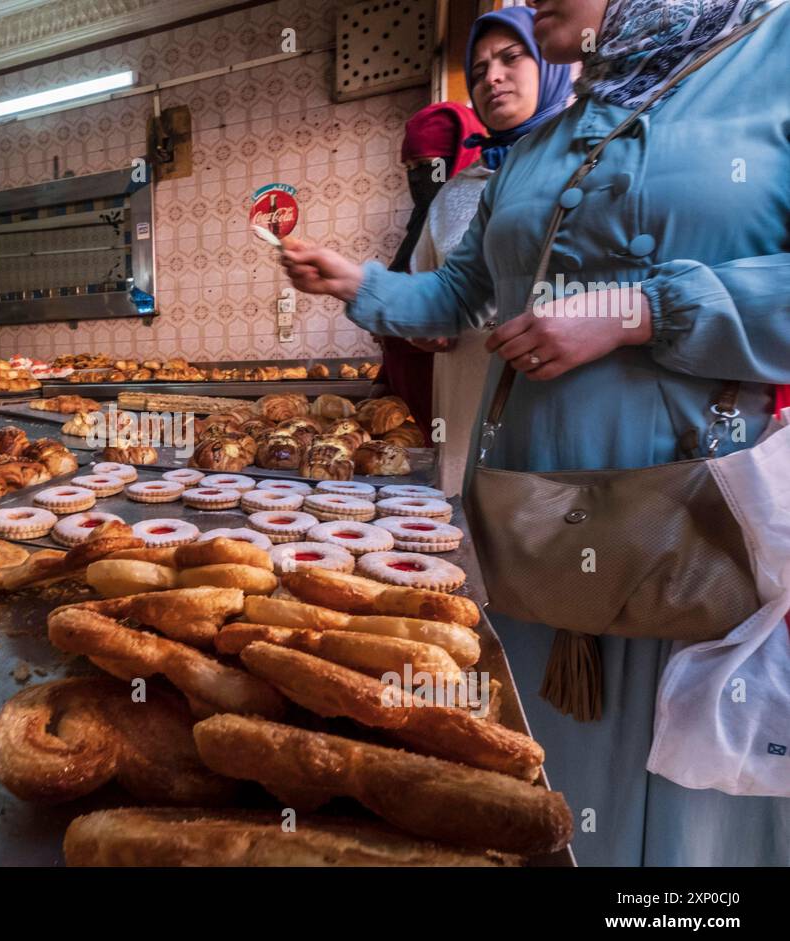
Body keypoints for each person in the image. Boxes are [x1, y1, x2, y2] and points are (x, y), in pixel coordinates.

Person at [282, 0, 790, 865]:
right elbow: (460, 299)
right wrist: (356, 281)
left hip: (688, 518)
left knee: (676, 797)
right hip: (531, 517)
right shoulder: (542, 146)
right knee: (540, 765)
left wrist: (643, 310)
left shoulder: (770, 60)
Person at [412, 7, 572, 495]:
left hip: (559, 410)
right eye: (479, 70)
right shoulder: (458, 190)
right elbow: (429, 290)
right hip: (465, 413)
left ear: (551, 65)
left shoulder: (591, 164)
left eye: (511, 58)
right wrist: (422, 326)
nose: (493, 78)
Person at [376, 101, 484, 443]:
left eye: (426, 165)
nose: (417, 177)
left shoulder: (474, 217)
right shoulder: (425, 223)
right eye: (409, 167)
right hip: (407, 397)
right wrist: (384, 378)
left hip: (452, 389)